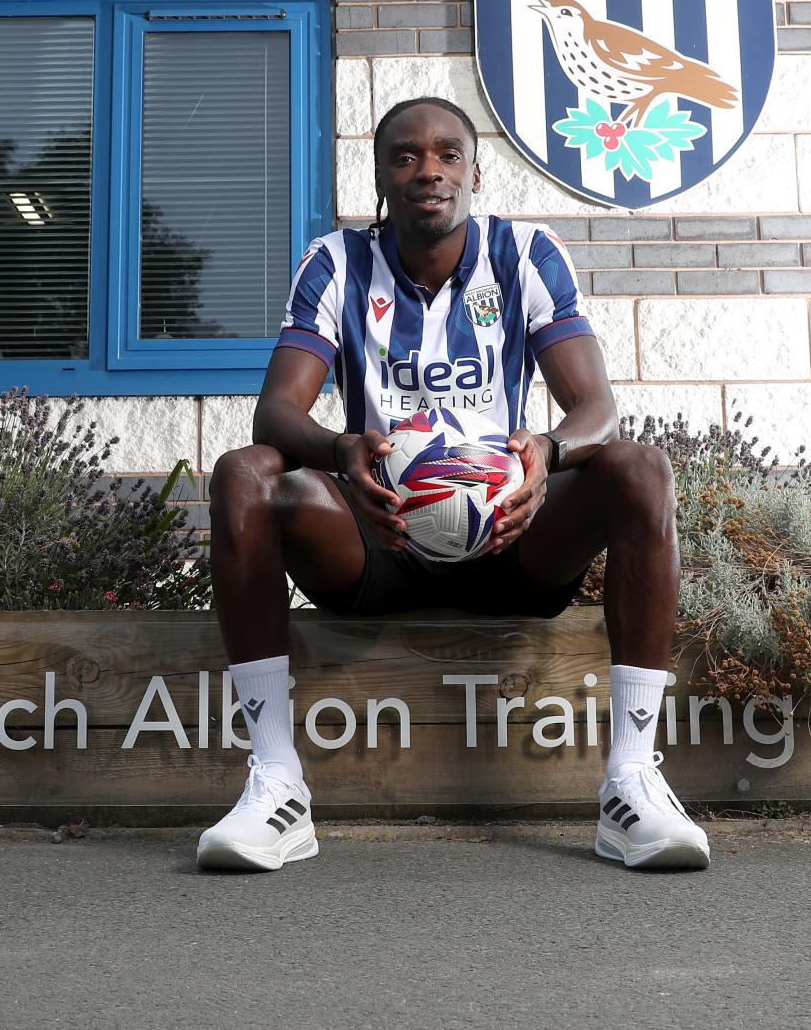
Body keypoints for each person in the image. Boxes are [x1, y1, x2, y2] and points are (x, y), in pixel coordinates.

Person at [196, 96, 709, 873]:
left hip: (508, 539)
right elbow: (276, 411)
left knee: (640, 469)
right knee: (244, 474)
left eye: (446, 154)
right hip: (380, 538)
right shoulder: (336, 262)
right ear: (380, 177)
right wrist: (342, 451)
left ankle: (632, 782)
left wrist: (547, 453)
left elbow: (598, 409)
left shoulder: (525, 254)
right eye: (405, 156)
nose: (427, 170)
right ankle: (276, 785)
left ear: (474, 172)